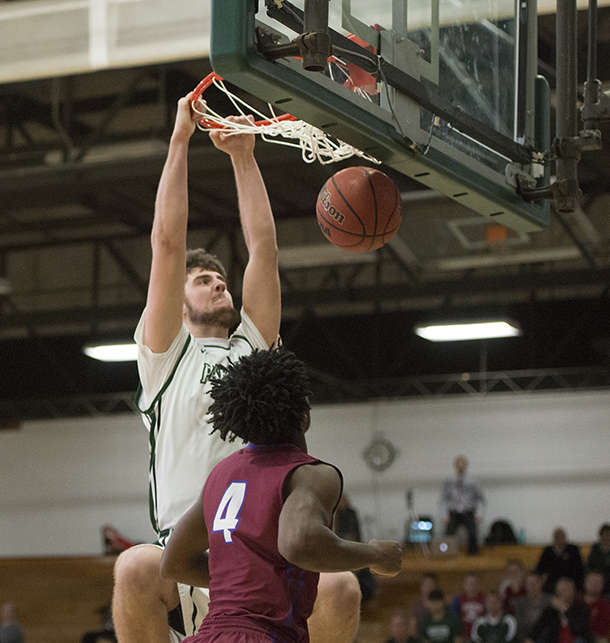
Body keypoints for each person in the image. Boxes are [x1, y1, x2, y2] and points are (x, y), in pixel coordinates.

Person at [112, 92, 360, 643]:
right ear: (175, 305)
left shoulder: (254, 347)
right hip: (185, 558)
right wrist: (179, 141)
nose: (219, 282)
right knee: (132, 568)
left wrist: (243, 157)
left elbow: (264, 247)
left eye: (221, 279)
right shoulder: (164, 354)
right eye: (203, 281)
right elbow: (167, 243)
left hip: (259, 559)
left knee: (342, 588)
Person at [159, 348, 402, 643]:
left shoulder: (221, 475)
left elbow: (174, 563)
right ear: (304, 414)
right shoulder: (310, 474)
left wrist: (244, 582)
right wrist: (375, 555)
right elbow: (299, 543)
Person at [439, 456, 485, 555]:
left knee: (472, 533)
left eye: (462, 464)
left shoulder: (473, 481)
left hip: (468, 511)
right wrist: (444, 515)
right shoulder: (449, 481)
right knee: (449, 534)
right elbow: (444, 499)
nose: (460, 466)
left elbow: (480, 498)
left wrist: (479, 513)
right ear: (455, 466)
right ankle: (448, 554)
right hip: (454, 512)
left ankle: (473, 556)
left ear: (465, 465)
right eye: (458, 464)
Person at [525, 578, 592, 643]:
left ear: (573, 591)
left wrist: (565, 610)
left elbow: (581, 631)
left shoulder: (581, 608)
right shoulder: (551, 610)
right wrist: (530, 638)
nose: (562, 593)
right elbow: (539, 627)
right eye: (560, 590)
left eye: (566, 590)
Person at [535, 528, 585, 593]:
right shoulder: (547, 551)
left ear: (565, 537)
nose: (558, 538)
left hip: (570, 582)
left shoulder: (573, 549)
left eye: (560, 536)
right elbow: (540, 568)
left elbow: (579, 568)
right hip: (551, 583)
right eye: (556, 536)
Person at [585, 524, 610, 596]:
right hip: (594, 578)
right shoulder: (595, 549)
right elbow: (589, 565)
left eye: (609, 535)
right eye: (605, 535)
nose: (607, 538)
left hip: (609, 581)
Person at [512, 573, 550, 643]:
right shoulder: (520, 603)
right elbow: (519, 626)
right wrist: (525, 639)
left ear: (541, 584)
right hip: (526, 639)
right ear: (525, 586)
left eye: (535, 583)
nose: (533, 586)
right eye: (530, 584)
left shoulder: (549, 601)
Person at [450, 571, 486, 638]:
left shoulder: (485, 599)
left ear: (479, 585)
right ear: (464, 585)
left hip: (482, 636)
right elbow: (454, 621)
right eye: (469, 584)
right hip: (464, 636)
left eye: (474, 583)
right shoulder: (458, 600)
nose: (472, 587)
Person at [581, 572, 610, 643]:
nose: (594, 584)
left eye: (598, 582)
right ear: (585, 583)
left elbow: (604, 628)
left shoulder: (606, 605)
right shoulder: (576, 600)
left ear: (602, 586)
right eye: (592, 582)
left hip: (596, 637)